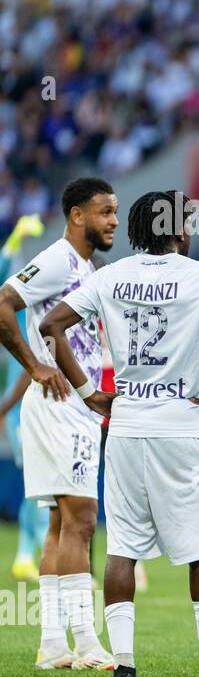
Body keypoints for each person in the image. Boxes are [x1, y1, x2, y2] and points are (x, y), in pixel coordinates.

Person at [40, 190, 199, 677]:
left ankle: (124, 667)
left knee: (123, 549)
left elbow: (52, 326)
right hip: (181, 426)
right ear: (179, 230)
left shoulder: (109, 276)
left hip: (127, 426)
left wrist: (92, 393)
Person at [0, 178, 116, 671]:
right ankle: (87, 642)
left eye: (114, 212)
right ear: (76, 215)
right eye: (104, 212)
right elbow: (3, 303)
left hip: (71, 404)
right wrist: (32, 365)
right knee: (83, 519)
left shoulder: (87, 266)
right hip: (60, 406)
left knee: (59, 523)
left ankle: (51, 643)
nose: (112, 221)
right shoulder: (57, 261)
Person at [0, 214, 50, 583]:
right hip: (20, 413)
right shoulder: (24, 329)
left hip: (21, 411)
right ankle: (28, 554)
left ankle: (26, 554)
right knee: (40, 486)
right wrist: (13, 243)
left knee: (39, 485)